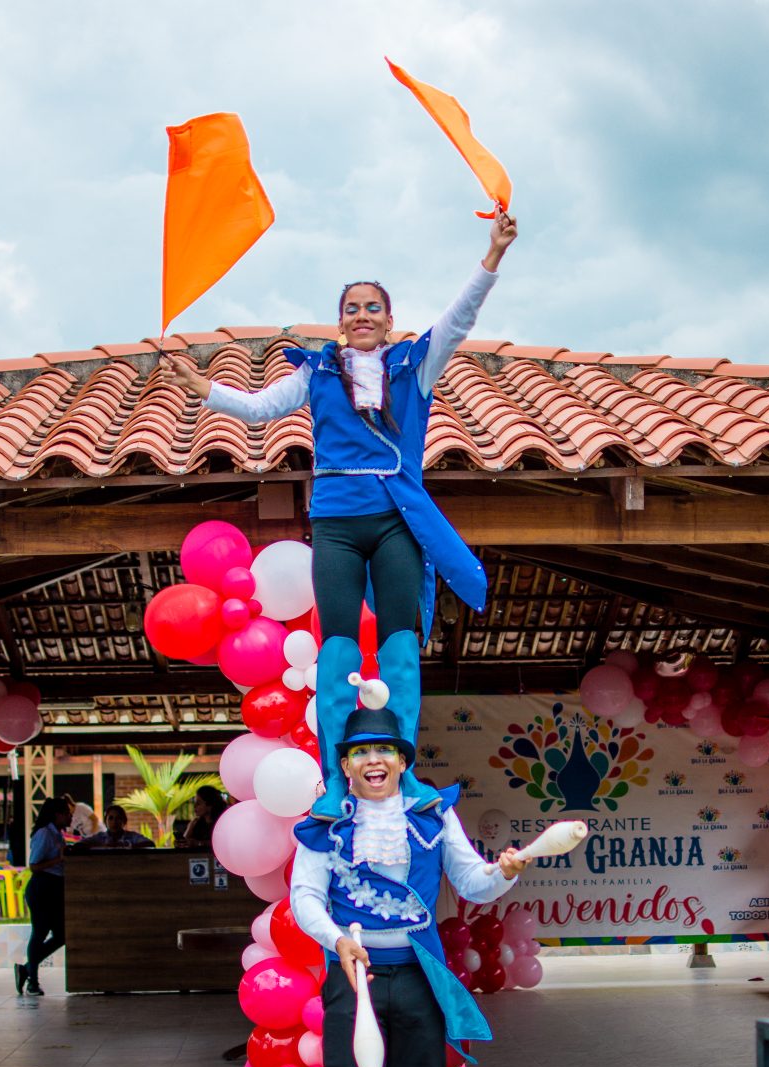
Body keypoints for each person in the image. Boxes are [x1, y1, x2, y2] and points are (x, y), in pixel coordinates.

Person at [162, 209, 518, 818]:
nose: (361, 316)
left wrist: (492, 256)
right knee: (338, 652)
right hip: (336, 524)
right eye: (351, 308)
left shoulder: (414, 365)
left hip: (395, 521)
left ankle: (404, 776)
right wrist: (204, 389)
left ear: (389, 319)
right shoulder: (318, 371)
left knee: (402, 650)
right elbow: (257, 408)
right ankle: (333, 778)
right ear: (340, 321)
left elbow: (459, 321)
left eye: (372, 307)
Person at [290, 695, 531, 1067]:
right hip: (355, 980)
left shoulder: (432, 816)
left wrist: (504, 871)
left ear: (402, 760)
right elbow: (305, 898)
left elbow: (471, 879)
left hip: (419, 978)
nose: (374, 761)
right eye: (361, 752)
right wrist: (335, 941)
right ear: (346, 765)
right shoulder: (324, 825)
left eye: (385, 751)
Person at [15, 797, 71, 997]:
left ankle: (27, 969)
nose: (70, 815)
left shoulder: (58, 835)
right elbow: (34, 865)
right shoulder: (44, 834)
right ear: (57, 814)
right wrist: (60, 859)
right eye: (66, 812)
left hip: (55, 887)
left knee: (61, 935)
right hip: (42, 887)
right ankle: (32, 981)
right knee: (39, 933)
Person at [74, 804, 155, 850]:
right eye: (111, 818)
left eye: (118, 818)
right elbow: (80, 845)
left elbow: (150, 843)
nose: (114, 821)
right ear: (106, 821)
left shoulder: (132, 837)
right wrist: (102, 847)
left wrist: (126, 846)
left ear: (124, 821)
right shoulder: (100, 837)